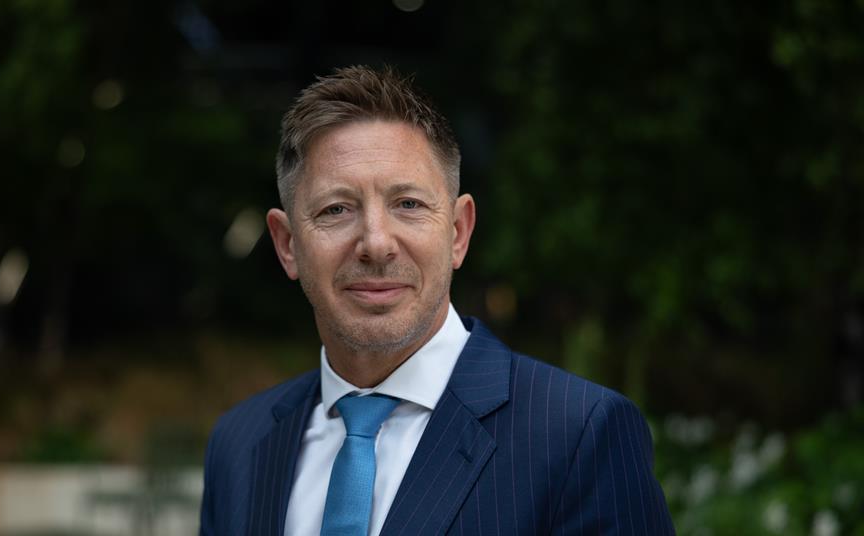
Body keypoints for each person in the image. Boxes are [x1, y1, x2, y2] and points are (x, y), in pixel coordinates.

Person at [200, 65, 674, 536]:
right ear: (287, 245)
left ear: (458, 232)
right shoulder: (238, 444)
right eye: (336, 209)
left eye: (408, 204)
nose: (376, 243)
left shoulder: (580, 434)